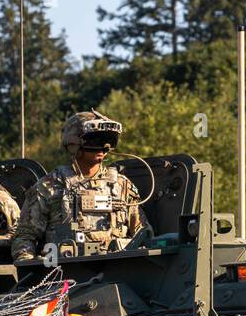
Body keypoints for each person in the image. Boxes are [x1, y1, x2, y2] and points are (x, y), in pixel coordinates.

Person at [11, 110, 151, 262]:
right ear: (74, 144)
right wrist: (32, 269)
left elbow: (143, 234)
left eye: (109, 140)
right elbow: (24, 237)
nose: (104, 146)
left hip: (119, 272)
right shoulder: (49, 187)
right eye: (95, 140)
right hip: (65, 276)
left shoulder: (122, 186)